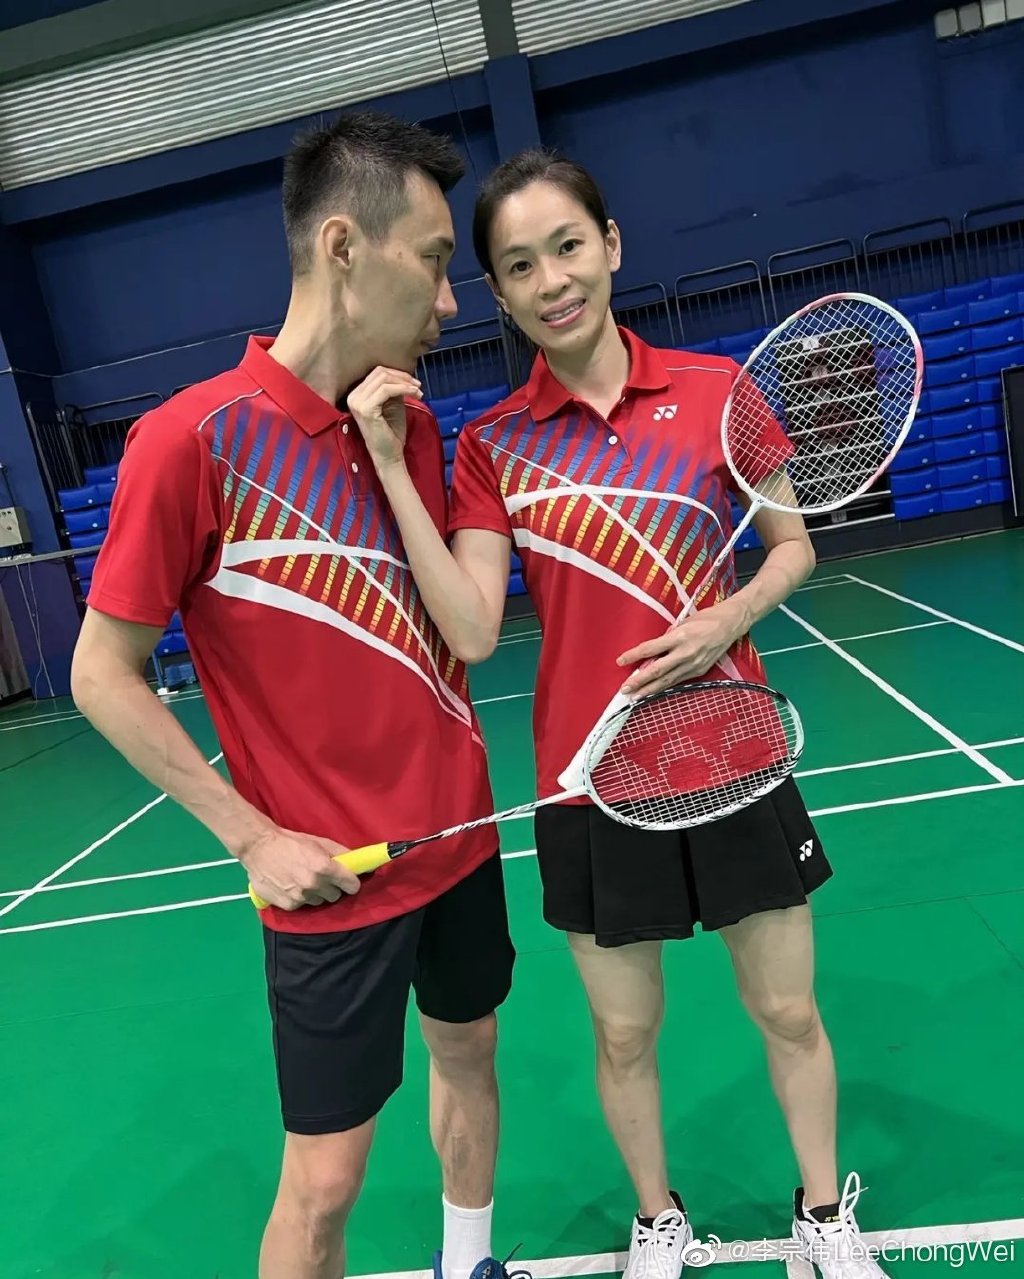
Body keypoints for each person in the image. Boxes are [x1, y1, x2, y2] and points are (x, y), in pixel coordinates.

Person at [347, 148, 888, 1279]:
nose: (552, 279)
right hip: (591, 779)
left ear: (611, 245)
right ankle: (658, 1221)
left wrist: (719, 618)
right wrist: (399, 472)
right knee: (624, 1033)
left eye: (568, 247)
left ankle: (822, 1216)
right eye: (519, 265)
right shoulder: (495, 445)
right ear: (496, 292)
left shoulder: (718, 394)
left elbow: (791, 547)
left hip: (734, 749)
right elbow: (472, 627)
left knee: (787, 1011)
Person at [70, 111, 520, 1279]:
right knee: (322, 1184)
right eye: (432, 260)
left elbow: (460, 630)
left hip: (459, 839)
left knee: (468, 1049)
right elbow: (99, 674)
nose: (452, 300)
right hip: (330, 880)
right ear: (341, 247)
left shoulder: (408, 429)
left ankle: (464, 1259)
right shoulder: (193, 442)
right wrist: (251, 834)